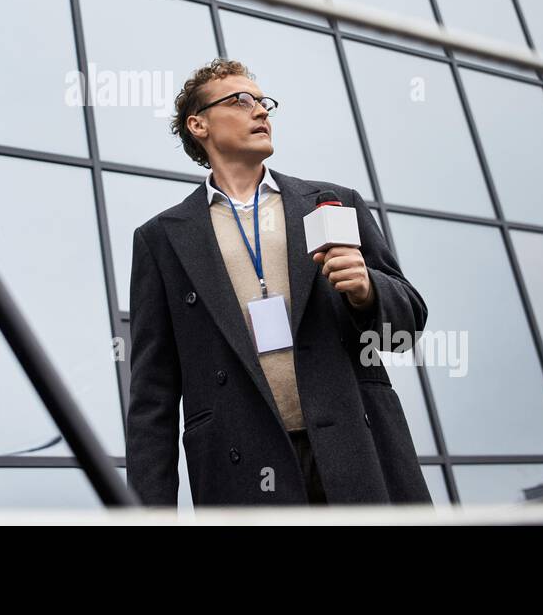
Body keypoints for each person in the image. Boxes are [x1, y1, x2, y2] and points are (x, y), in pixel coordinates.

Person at [124, 57, 432, 507]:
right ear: (199, 124)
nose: (261, 111)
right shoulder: (162, 239)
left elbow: (408, 328)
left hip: (355, 449)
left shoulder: (332, 202)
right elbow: (152, 395)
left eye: (264, 101)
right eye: (241, 100)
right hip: (240, 466)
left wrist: (368, 292)